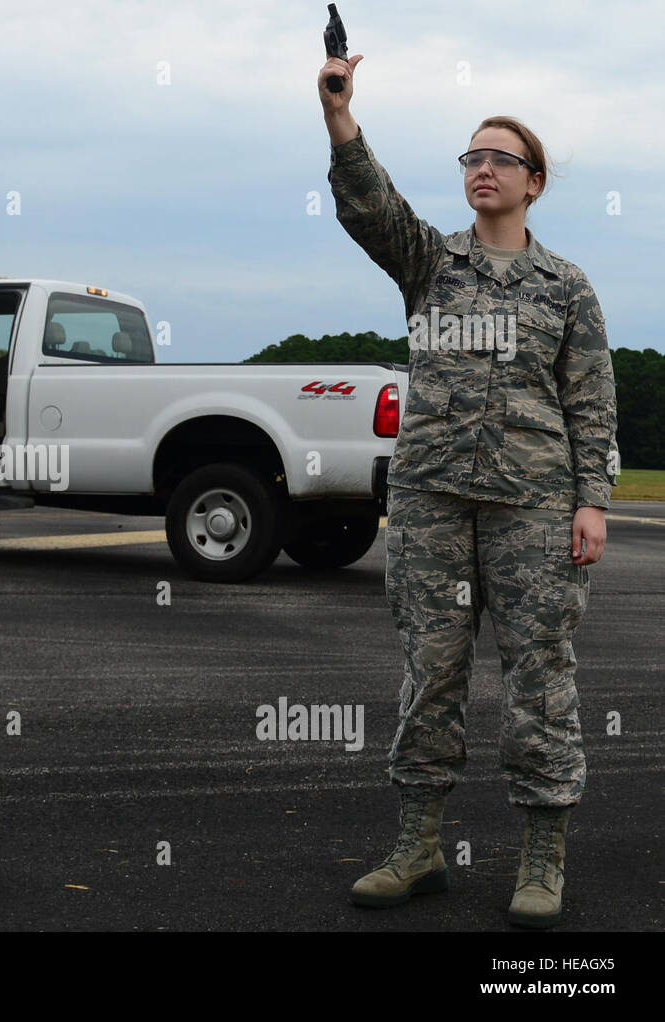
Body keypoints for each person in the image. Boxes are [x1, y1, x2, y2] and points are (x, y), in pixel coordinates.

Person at [318, 50, 618, 929]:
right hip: (431, 500)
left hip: (532, 505)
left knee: (540, 675)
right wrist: (341, 117)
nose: (482, 169)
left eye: (500, 159)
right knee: (430, 671)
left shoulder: (566, 286)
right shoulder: (428, 263)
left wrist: (591, 500)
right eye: (471, 158)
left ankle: (541, 858)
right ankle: (417, 848)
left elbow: (591, 399)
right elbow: (370, 206)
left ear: (534, 181)